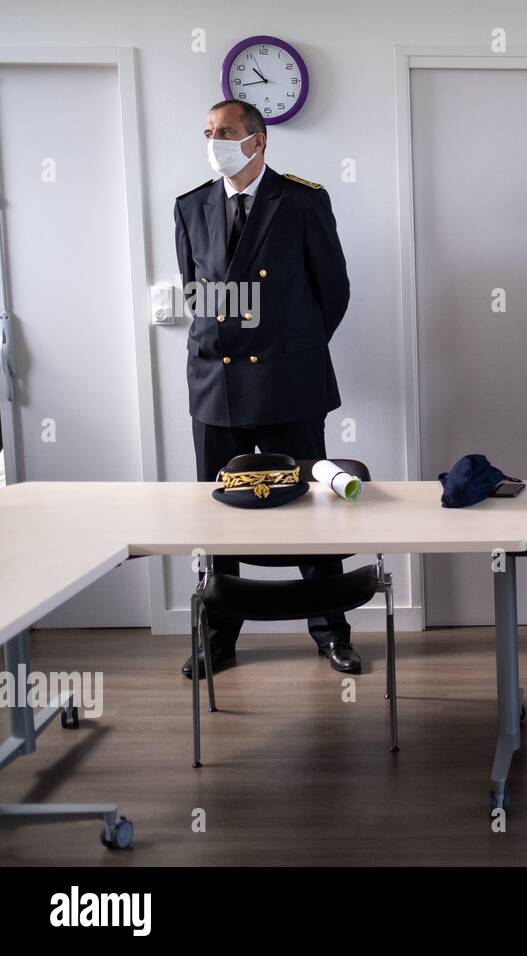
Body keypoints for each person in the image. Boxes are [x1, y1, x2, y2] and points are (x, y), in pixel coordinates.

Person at [174, 98, 357, 679]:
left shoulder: (303, 200)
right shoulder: (189, 205)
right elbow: (195, 290)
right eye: (208, 132)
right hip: (215, 386)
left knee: (311, 509)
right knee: (220, 518)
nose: (214, 141)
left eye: (225, 132)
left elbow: (333, 292)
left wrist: (292, 349)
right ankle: (218, 638)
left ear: (257, 140)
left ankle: (330, 631)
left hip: (288, 382)